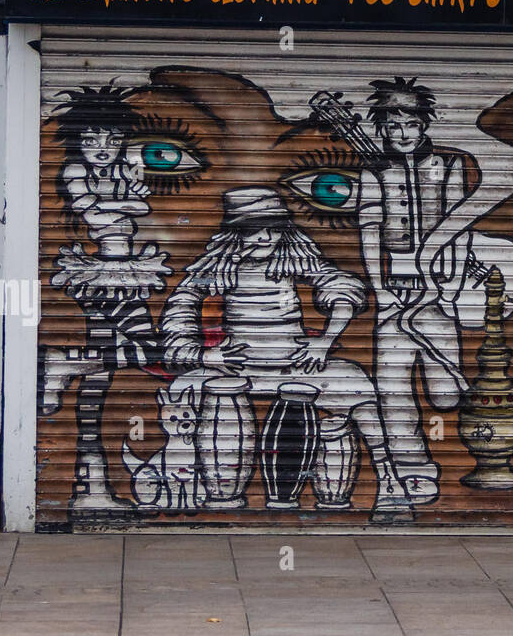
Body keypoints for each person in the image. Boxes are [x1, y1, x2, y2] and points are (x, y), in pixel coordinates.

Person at [160, 187, 410, 518]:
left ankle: (389, 479)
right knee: (181, 390)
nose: (264, 237)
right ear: (233, 233)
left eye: (273, 228)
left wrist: (325, 340)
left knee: (357, 385)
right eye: (252, 229)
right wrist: (206, 357)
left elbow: (341, 285)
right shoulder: (219, 267)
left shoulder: (293, 260)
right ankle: (181, 488)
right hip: (237, 369)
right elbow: (179, 307)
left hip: (295, 365)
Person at [349, 77, 482, 505]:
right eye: (392, 127)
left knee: (446, 395)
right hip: (396, 292)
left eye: (409, 126)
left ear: (424, 126)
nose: (401, 134)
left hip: (439, 293)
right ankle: (414, 472)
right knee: (393, 390)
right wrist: (380, 292)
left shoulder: (449, 167)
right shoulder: (373, 171)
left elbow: (460, 228)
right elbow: (369, 234)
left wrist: (452, 286)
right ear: (381, 130)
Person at [43, 85, 171, 516]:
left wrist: (118, 202)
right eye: (93, 138)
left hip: (130, 270)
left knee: (100, 377)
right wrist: (122, 203)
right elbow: (97, 214)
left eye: (112, 139)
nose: (103, 147)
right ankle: (67, 362)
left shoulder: (121, 169)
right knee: (148, 349)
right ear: (79, 138)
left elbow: (136, 205)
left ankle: (91, 485)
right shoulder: (76, 170)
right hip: (101, 274)